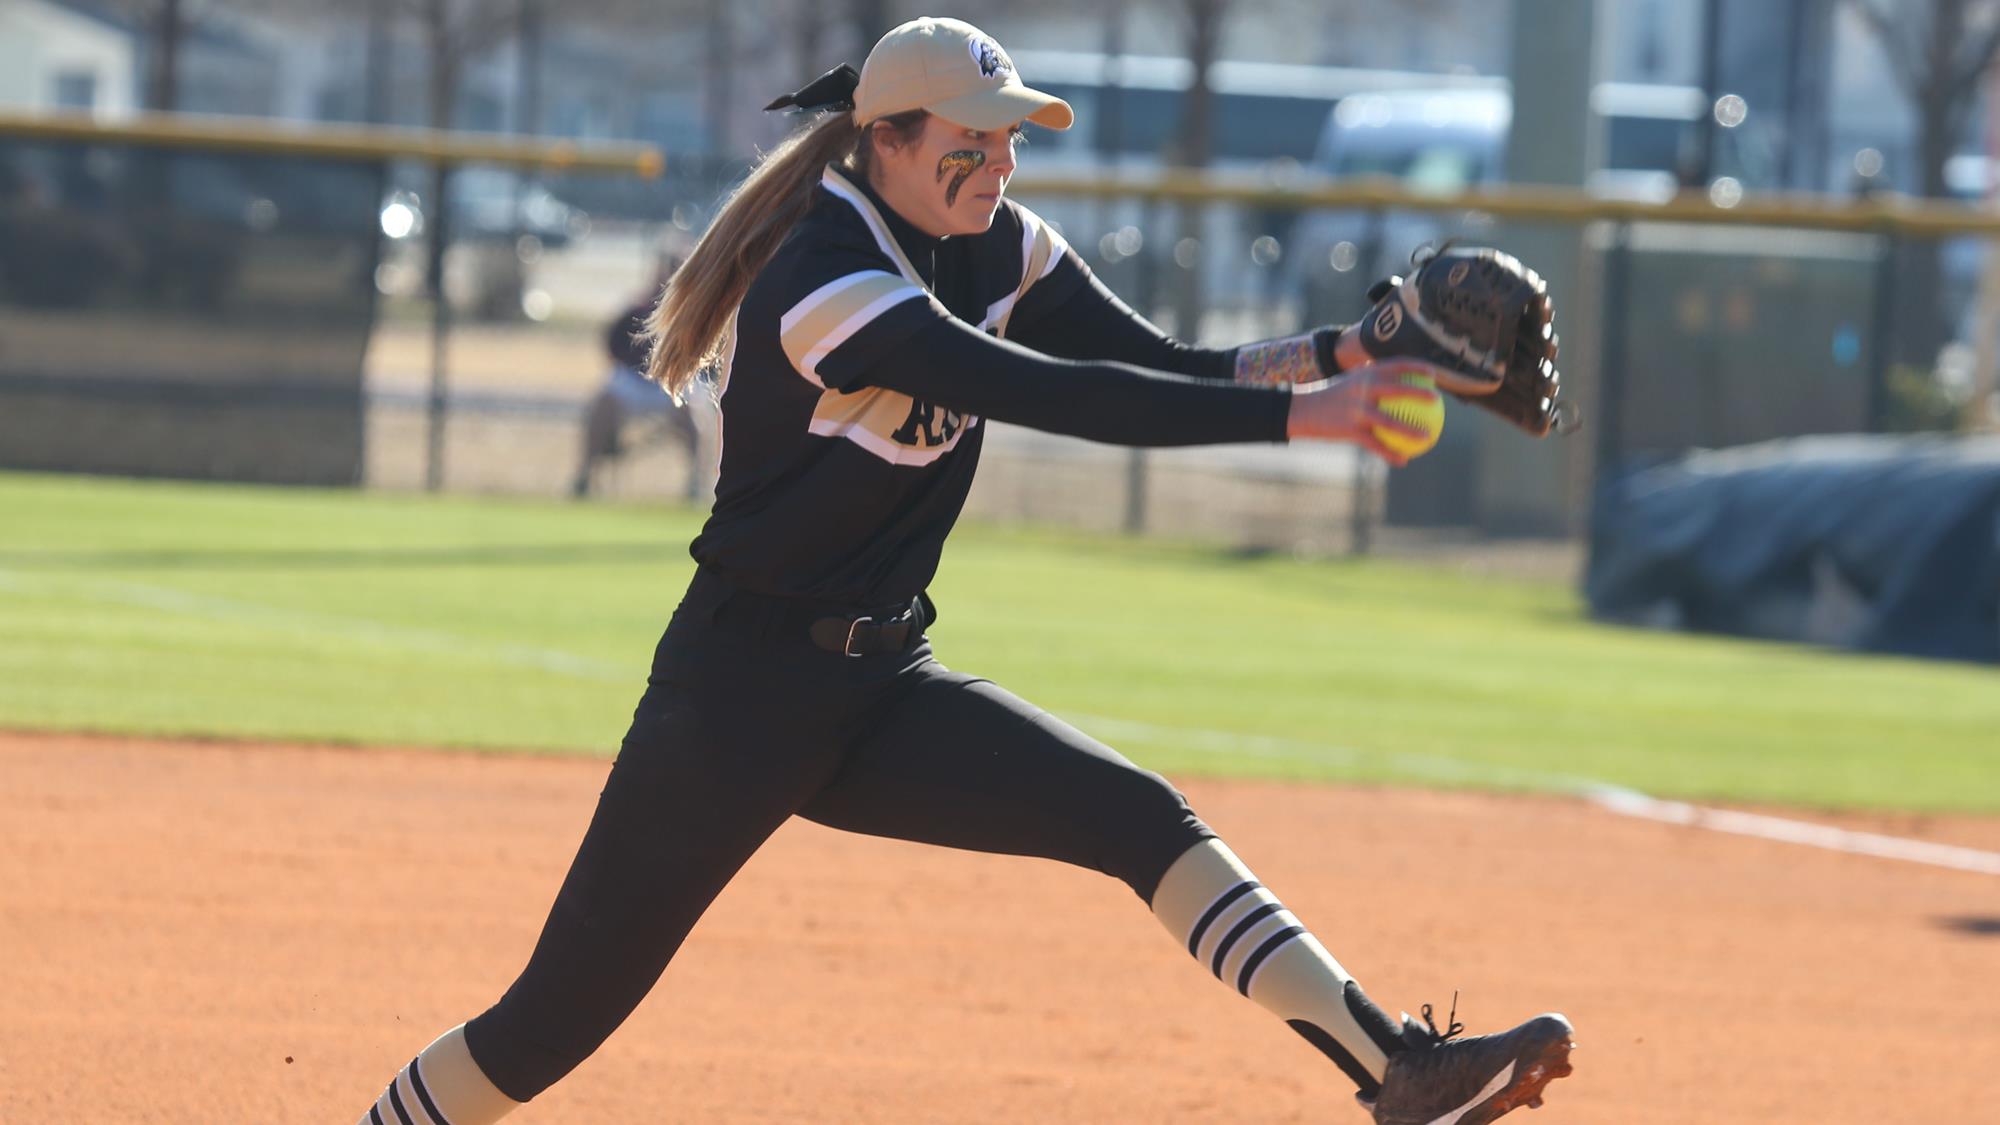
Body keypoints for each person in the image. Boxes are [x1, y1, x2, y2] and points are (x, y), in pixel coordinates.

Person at [356, 18, 1573, 1125]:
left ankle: (1396, 1070)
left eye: (1009, 139)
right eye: (971, 138)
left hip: (885, 685)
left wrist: (1343, 349)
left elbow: (1162, 364)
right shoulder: (821, 276)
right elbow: (1057, 395)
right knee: (548, 1027)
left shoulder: (1000, 246)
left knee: (1135, 815)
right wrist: (1305, 422)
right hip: (736, 699)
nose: (997, 162)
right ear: (885, 140)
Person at [571, 240, 708, 501]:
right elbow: (612, 345)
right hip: (636, 379)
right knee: (604, 401)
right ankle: (585, 475)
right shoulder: (638, 309)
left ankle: (696, 482)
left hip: (673, 380)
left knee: (693, 411)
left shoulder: (694, 313)